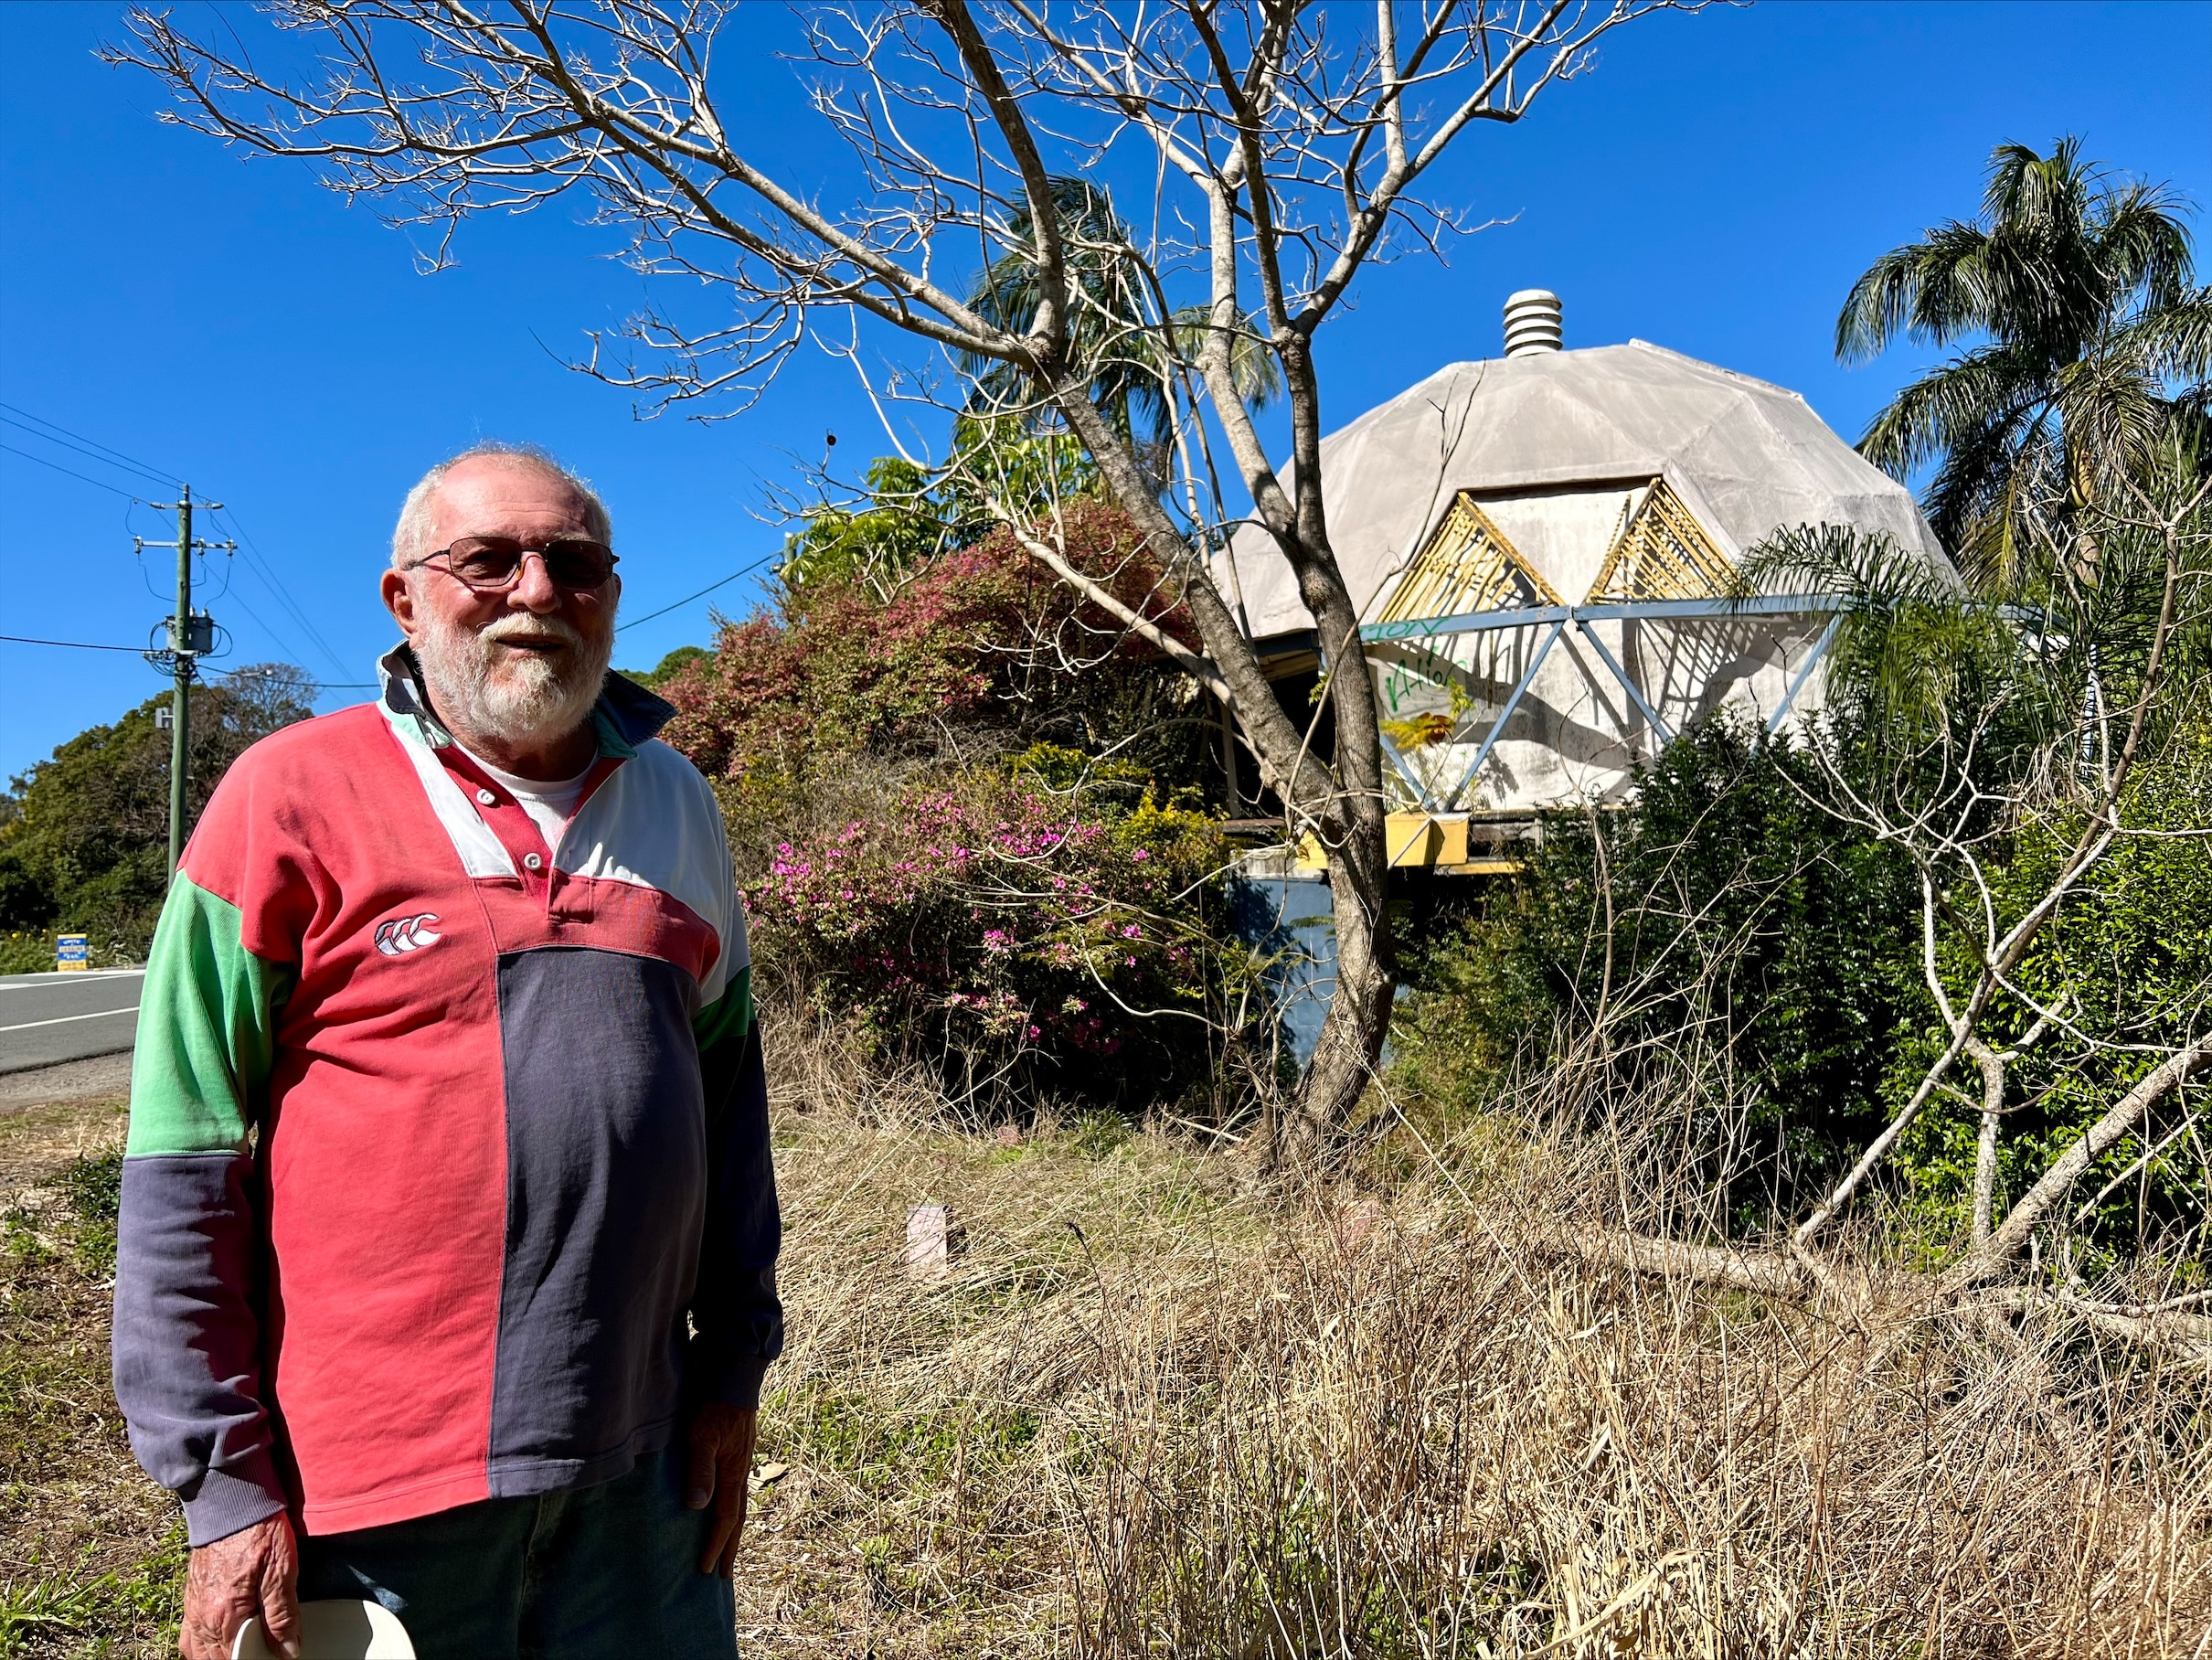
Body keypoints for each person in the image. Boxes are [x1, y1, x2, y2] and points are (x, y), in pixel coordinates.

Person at [112, 444, 782, 1660]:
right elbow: (183, 1158)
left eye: (575, 563)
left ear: (612, 593)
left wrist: (732, 1374)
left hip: (644, 1477)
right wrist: (222, 1483)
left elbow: (731, 1114)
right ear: (404, 599)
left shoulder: (680, 803)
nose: (539, 590)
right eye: (490, 560)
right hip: (368, 1496)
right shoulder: (287, 793)